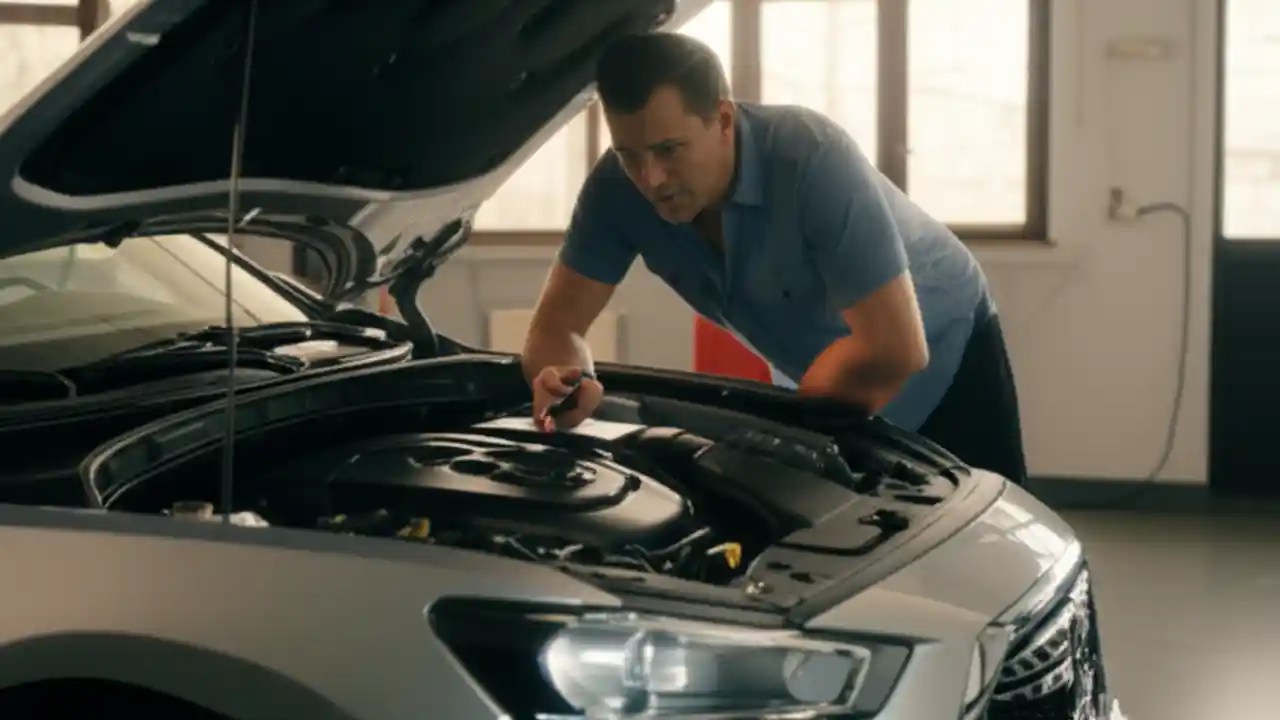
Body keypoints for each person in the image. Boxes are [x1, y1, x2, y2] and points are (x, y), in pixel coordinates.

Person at [519, 31, 1027, 485]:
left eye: (670, 149)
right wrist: (568, 381)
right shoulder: (616, 189)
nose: (650, 178)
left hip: (941, 342)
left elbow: (896, 350)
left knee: (988, 547)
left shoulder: (809, 156)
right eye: (629, 154)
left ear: (722, 119)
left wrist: (792, 434)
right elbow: (555, 329)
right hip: (823, 372)